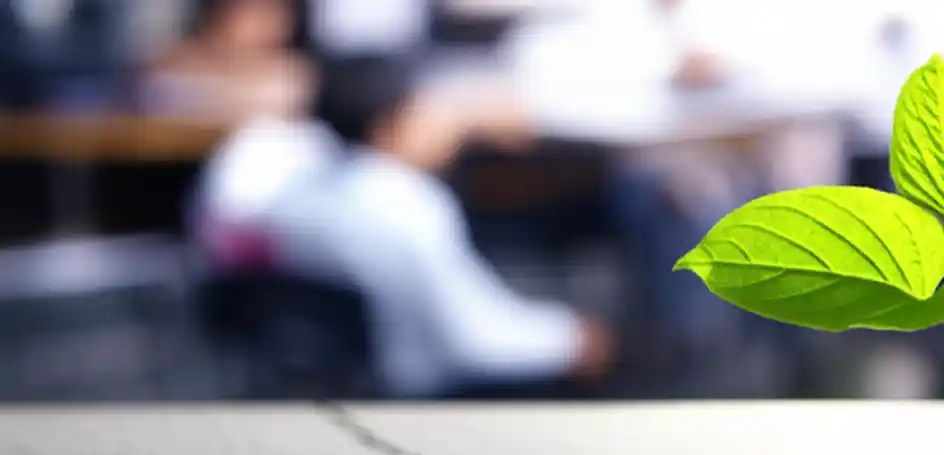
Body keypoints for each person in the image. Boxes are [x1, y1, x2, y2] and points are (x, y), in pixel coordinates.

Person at [260, 57, 612, 397]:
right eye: (426, 112)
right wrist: (571, 340)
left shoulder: (297, 192)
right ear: (390, 126)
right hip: (425, 396)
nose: (446, 126)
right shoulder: (410, 203)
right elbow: (473, 342)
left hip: (341, 387)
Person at [141, 0, 314, 122]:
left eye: (271, 11)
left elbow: (287, 96)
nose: (254, 24)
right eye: (245, 10)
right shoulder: (177, 60)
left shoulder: (291, 72)